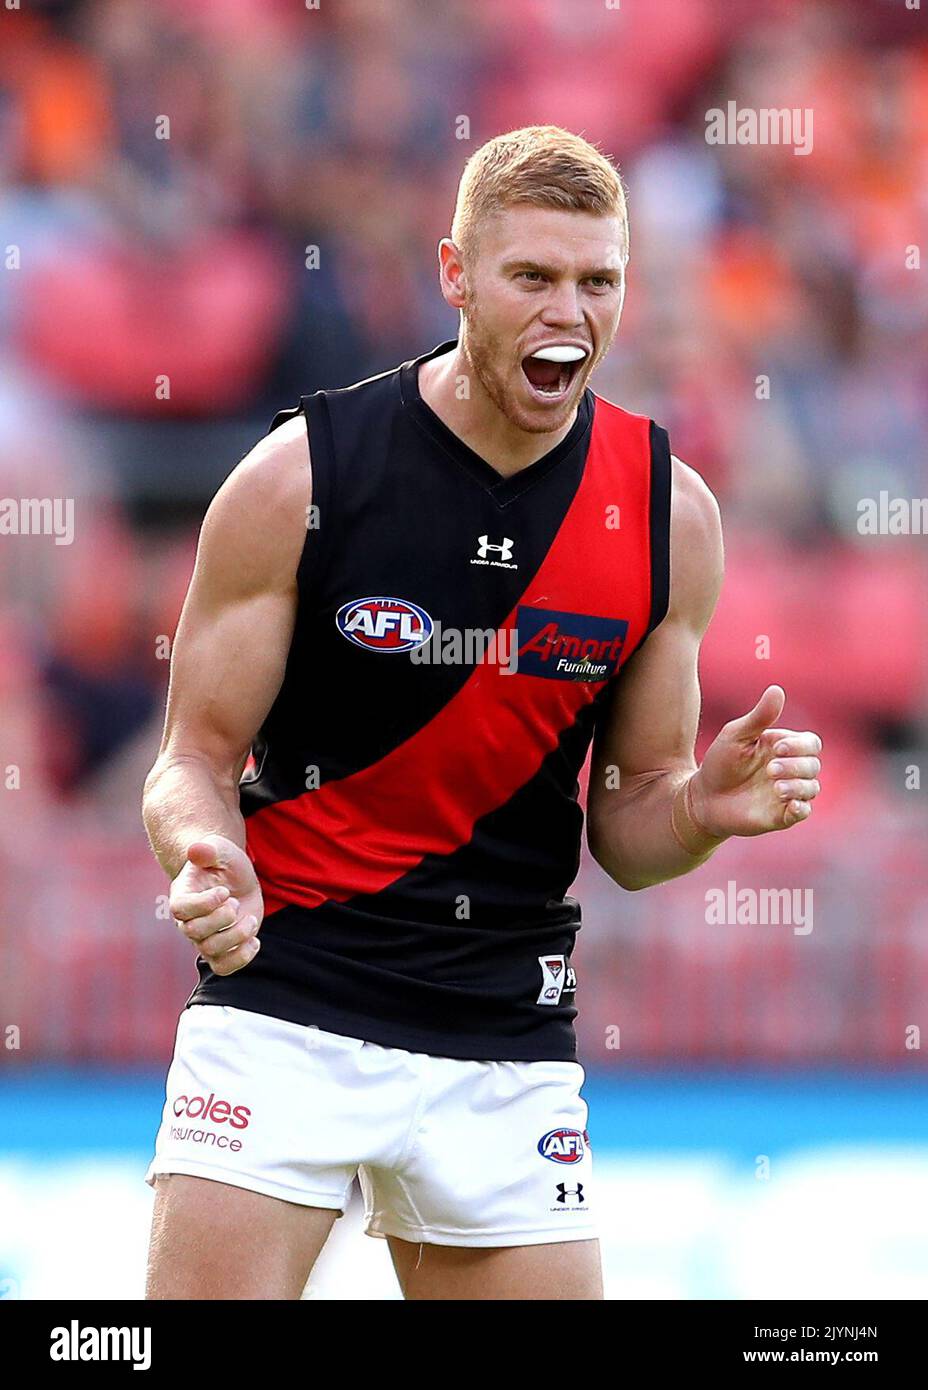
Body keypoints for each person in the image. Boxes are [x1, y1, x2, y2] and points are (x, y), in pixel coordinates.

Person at [141, 125, 822, 1300]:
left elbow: (631, 830)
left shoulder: (668, 515)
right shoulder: (302, 476)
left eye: (597, 281)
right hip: (287, 1000)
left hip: (505, 1037)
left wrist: (701, 810)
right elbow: (190, 758)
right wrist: (204, 849)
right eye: (534, 277)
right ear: (455, 274)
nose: (570, 313)